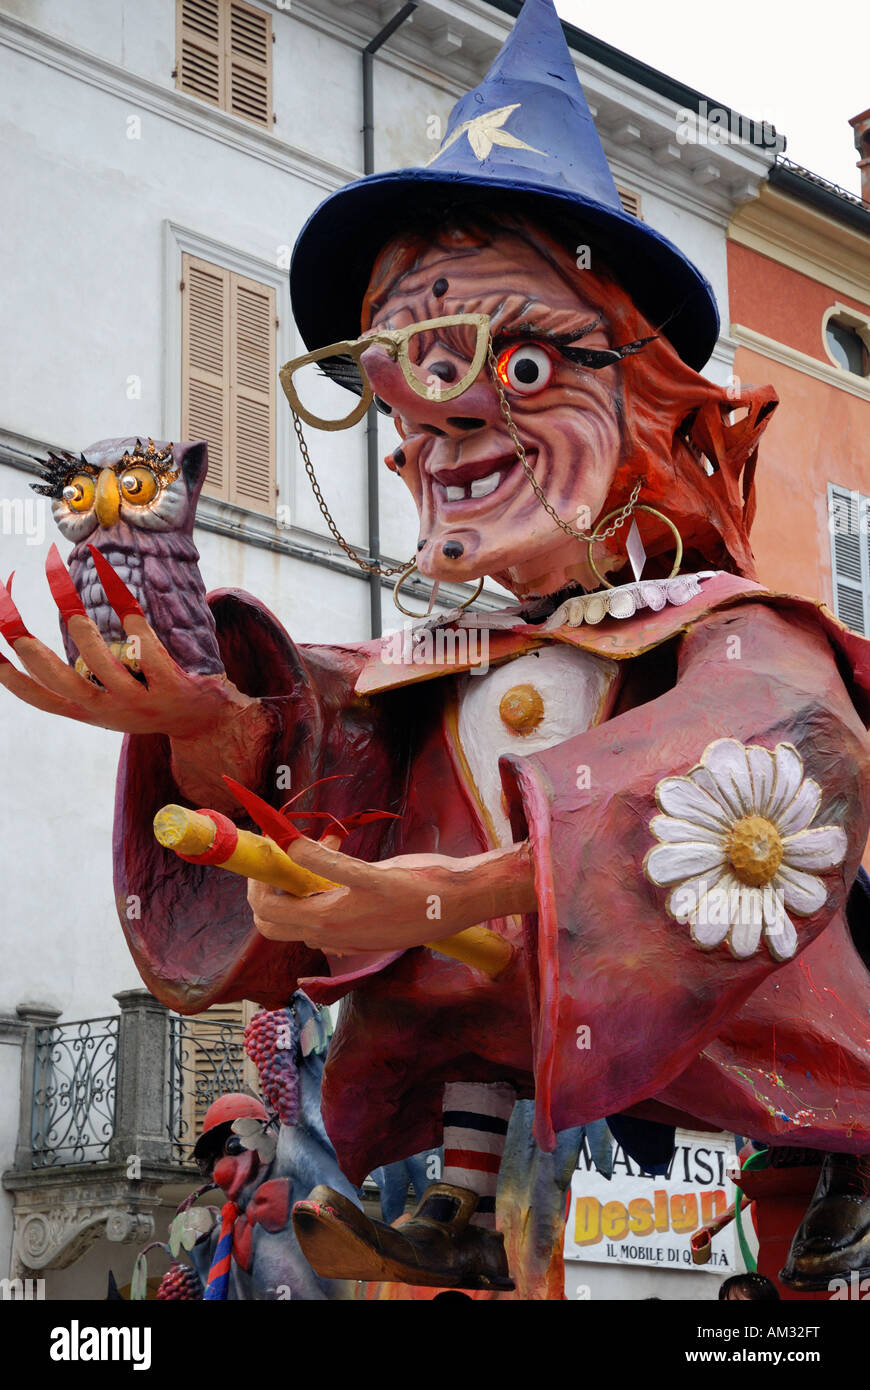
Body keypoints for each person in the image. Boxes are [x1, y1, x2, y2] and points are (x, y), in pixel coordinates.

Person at [4, 0, 870, 1293]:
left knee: (805, 1087)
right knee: (442, 1005)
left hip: (752, 1029)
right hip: (511, 1034)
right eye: (402, 385)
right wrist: (209, 727)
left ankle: (816, 1231)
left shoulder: (729, 631)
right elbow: (321, 754)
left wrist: (434, 895)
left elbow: (772, 766)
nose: (436, 434)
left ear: (642, 391)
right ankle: (464, 1204)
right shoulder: (436, 655)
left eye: (512, 371)